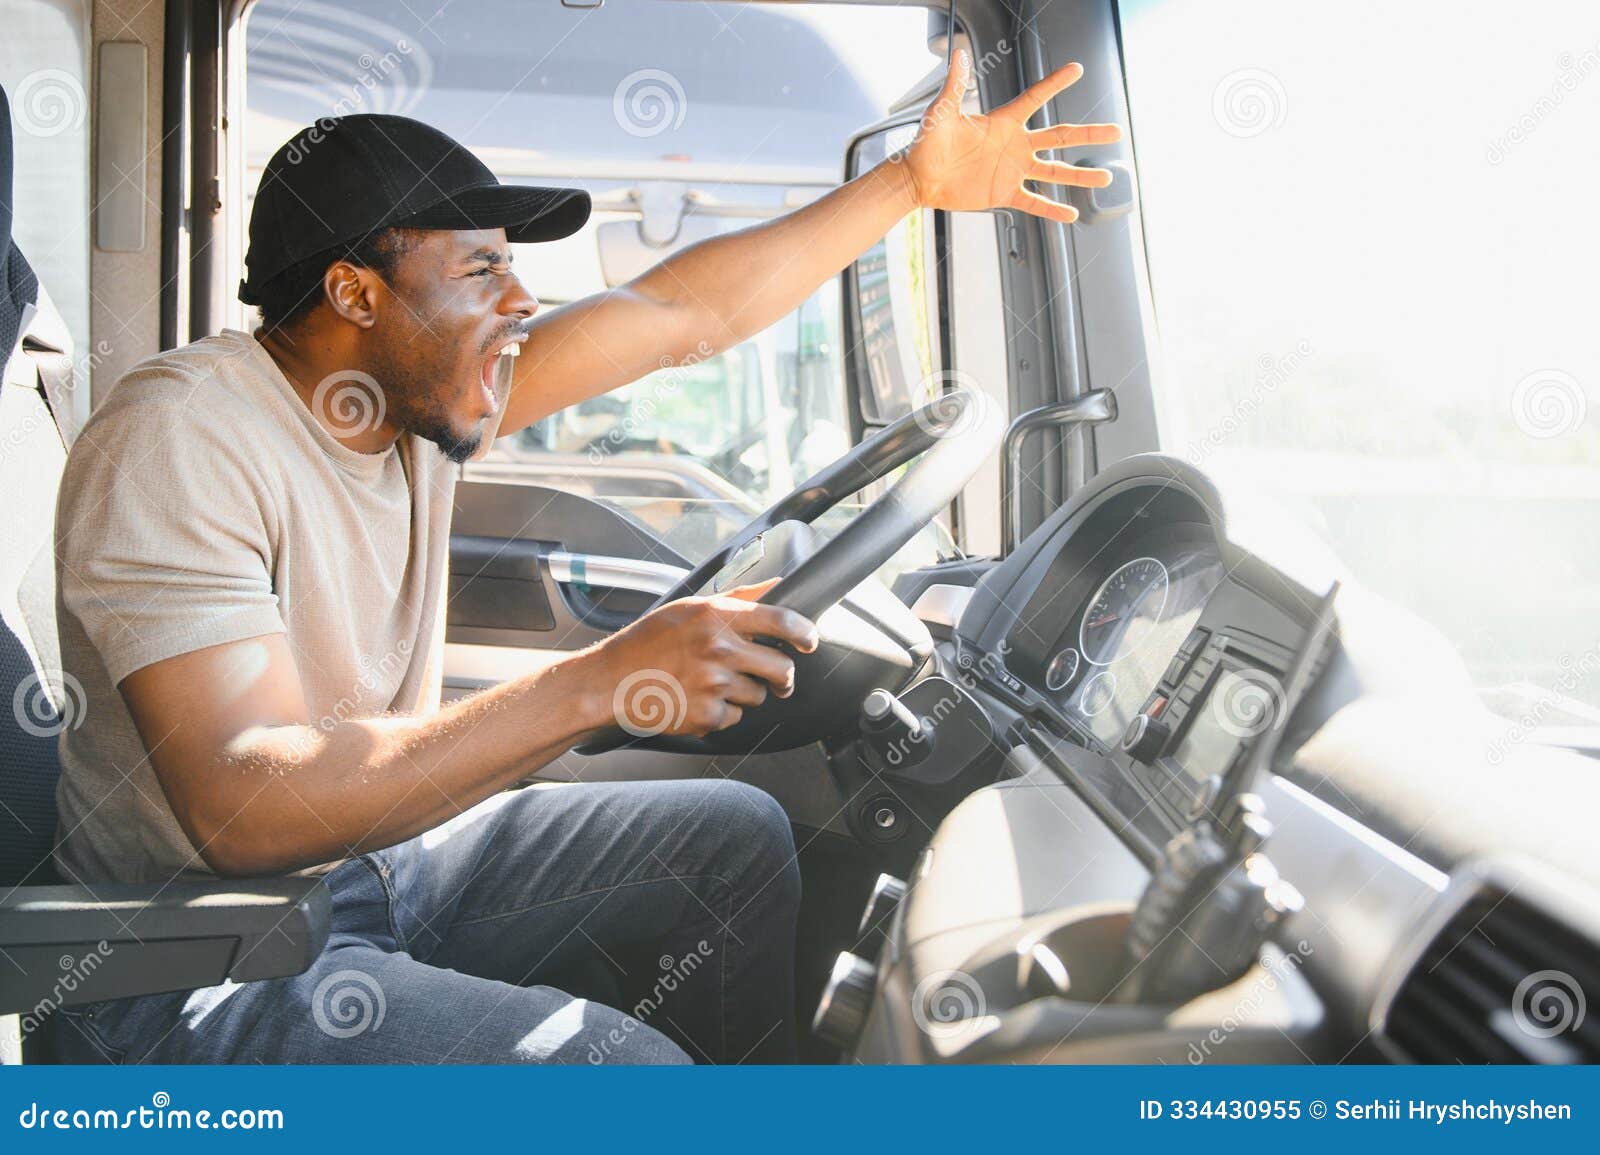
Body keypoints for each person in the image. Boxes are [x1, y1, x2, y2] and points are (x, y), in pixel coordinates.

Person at [49, 52, 1119, 1064]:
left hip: (368, 867)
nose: (520, 304)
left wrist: (909, 184)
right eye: (480, 271)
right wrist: (597, 681)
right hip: (181, 955)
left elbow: (675, 313)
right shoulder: (181, 440)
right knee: (617, 1068)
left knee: (731, 844)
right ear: (355, 294)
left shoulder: (407, 403)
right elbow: (249, 809)